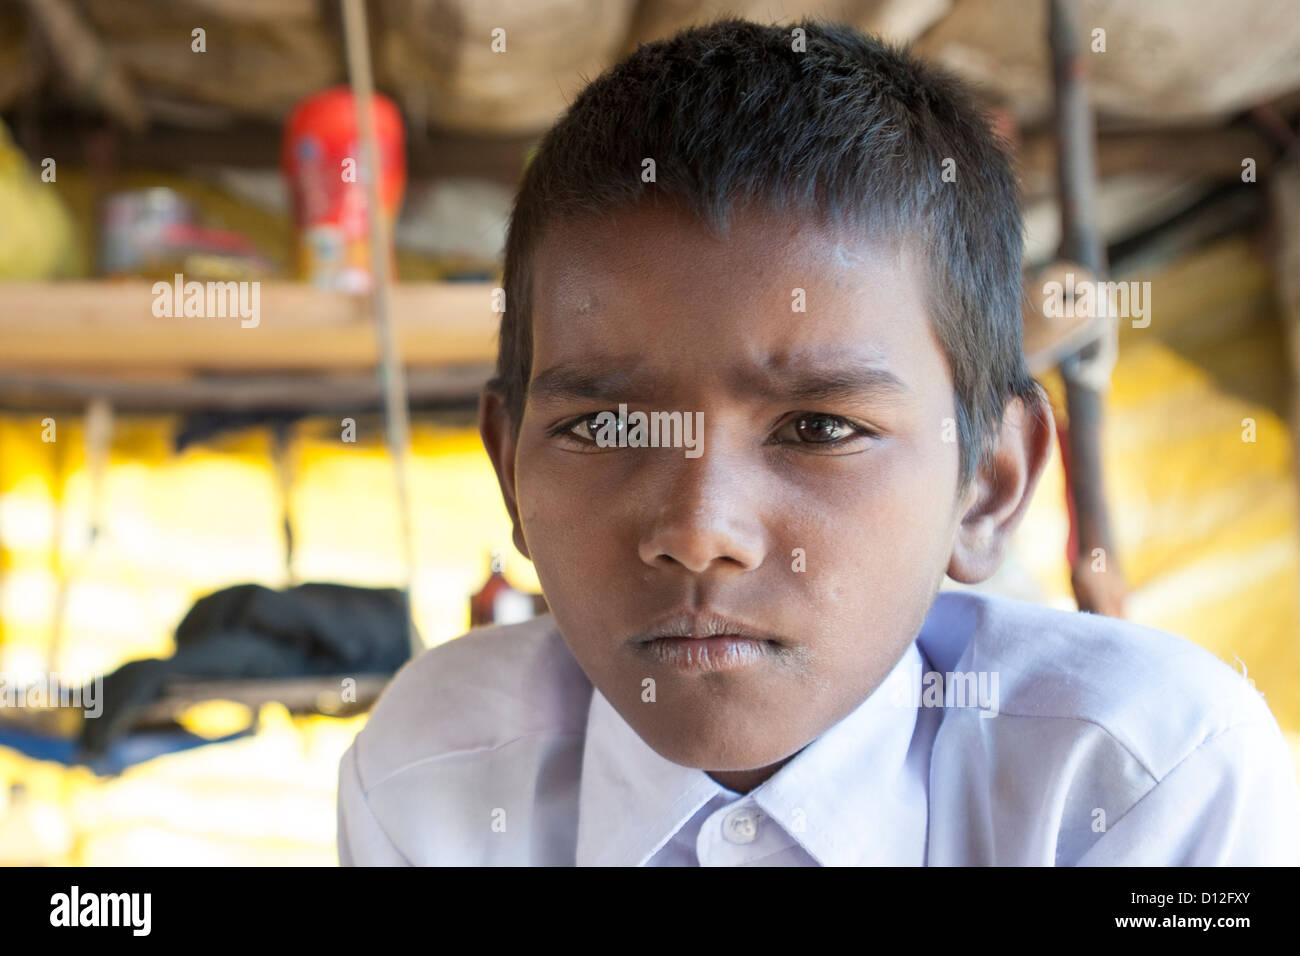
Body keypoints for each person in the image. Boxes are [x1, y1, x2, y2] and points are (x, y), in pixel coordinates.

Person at [338, 18, 1299, 865]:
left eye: (821, 427)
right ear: (511, 472)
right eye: (606, 426)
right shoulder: (434, 775)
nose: (700, 531)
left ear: (991, 485)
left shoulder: (1146, 780)